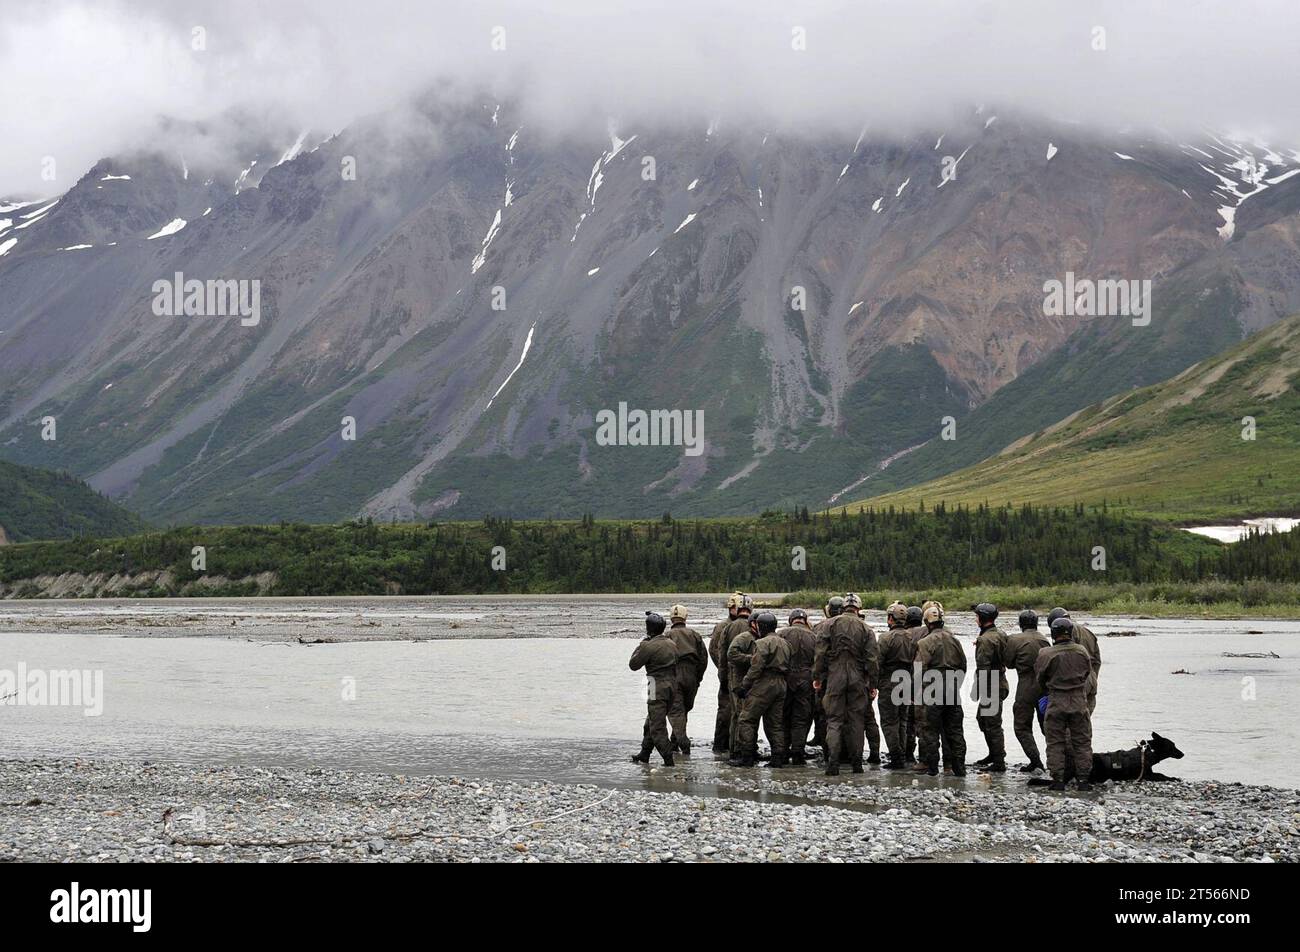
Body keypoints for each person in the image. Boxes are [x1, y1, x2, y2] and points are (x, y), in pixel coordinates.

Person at [813, 593, 878, 775]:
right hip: (858, 678)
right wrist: (873, 684)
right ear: (859, 609)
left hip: (834, 677)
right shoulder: (867, 629)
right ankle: (857, 765)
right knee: (856, 721)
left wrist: (817, 677)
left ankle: (832, 764)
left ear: (842, 608)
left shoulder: (829, 624)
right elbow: (872, 660)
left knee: (834, 720)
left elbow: (820, 654)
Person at [1035, 616, 1096, 791]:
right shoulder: (1082, 651)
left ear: (1053, 634)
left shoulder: (1046, 653)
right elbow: (1087, 673)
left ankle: (1058, 780)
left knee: (1055, 742)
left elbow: (1040, 678)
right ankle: (1083, 780)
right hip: (1078, 700)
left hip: (1056, 700)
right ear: (1070, 632)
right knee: (1082, 741)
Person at [733, 611, 792, 767]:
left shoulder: (761, 643)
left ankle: (747, 757)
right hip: (781, 684)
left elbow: (755, 668)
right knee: (775, 723)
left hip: (764, 684)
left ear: (761, 626)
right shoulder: (785, 643)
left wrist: (744, 686)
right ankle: (777, 758)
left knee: (746, 719)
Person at [915, 601, 967, 777]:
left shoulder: (924, 642)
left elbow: (918, 671)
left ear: (927, 623)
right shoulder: (955, 640)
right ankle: (959, 769)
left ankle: (932, 769)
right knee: (955, 731)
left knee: (930, 730)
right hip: (953, 690)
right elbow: (963, 666)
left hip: (932, 691)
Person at [1003, 609, 1051, 772]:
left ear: (1021, 624)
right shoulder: (1044, 639)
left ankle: (1036, 761)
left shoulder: (1015, 639)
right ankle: (1058, 759)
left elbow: (1008, 663)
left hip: (1025, 685)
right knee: (1047, 726)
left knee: (1022, 726)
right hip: (1045, 687)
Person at [629, 611, 679, 765]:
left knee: (657, 727)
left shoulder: (648, 646)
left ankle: (668, 760)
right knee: (651, 721)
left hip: (656, 686)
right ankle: (644, 754)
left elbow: (633, 665)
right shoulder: (672, 643)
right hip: (672, 686)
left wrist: (642, 645)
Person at [876, 602, 916, 769]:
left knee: (889, 721)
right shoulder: (913, 638)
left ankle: (896, 757)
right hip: (907, 681)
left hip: (889, 682)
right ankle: (902, 753)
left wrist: (873, 683)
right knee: (903, 720)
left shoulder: (885, 638)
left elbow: (877, 663)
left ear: (891, 619)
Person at [971, 602, 1009, 772]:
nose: (975, 618)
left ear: (982, 618)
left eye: (977, 616)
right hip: (999, 681)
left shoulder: (985, 640)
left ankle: (999, 761)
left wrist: (976, 690)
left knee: (992, 723)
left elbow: (983, 668)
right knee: (983, 719)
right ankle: (994, 754)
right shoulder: (1000, 633)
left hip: (991, 684)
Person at [666, 604, 707, 755]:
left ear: (671, 618)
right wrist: (698, 678)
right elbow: (703, 659)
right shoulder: (695, 635)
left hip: (674, 673)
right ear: (685, 617)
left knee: (676, 711)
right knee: (683, 710)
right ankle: (674, 742)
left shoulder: (667, 636)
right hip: (691, 675)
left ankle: (684, 744)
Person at [777, 608, 817, 765]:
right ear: (805, 621)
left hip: (785, 680)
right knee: (801, 719)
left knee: (783, 717)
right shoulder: (814, 637)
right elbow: (819, 660)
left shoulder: (781, 634)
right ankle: (798, 753)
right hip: (806, 682)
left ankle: (783, 752)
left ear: (790, 620)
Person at [1048, 607, 1102, 714]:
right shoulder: (1088, 632)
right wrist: (1092, 677)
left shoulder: (1067, 632)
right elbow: (1097, 660)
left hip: (1077, 682)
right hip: (1091, 679)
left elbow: (1066, 658)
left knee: (1070, 722)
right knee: (1084, 722)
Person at [810, 596, 845, 758]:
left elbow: (817, 654)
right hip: (850, 678)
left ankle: (828, 752)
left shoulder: (819, 627)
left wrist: (816, 676)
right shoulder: (855, 625)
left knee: (824, 713)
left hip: (826, 679)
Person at [709, 593, 744, 752]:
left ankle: (738, 743)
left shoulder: (748, 624)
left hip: (744, 677)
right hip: (727, 675)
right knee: (725, 711)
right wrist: (724, 670)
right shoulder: (722, 626)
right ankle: (720, 745)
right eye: (735, 607)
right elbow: (714, 650)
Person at [724, 596, 757, 755]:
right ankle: (743, 749)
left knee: (736, 715)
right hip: (752, 678)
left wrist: (722, 676)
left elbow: (720, 652)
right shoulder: (757, 625)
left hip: (733, 676)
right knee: (748, 715)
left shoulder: (728, 627)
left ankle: (735, 749)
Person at [902, 605, 926, 764]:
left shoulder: (906, 634)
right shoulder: (927, 632)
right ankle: (925, 755)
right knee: (924, 721)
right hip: (926, 681)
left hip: (908, 680)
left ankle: (909, 754)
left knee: (908, 720)